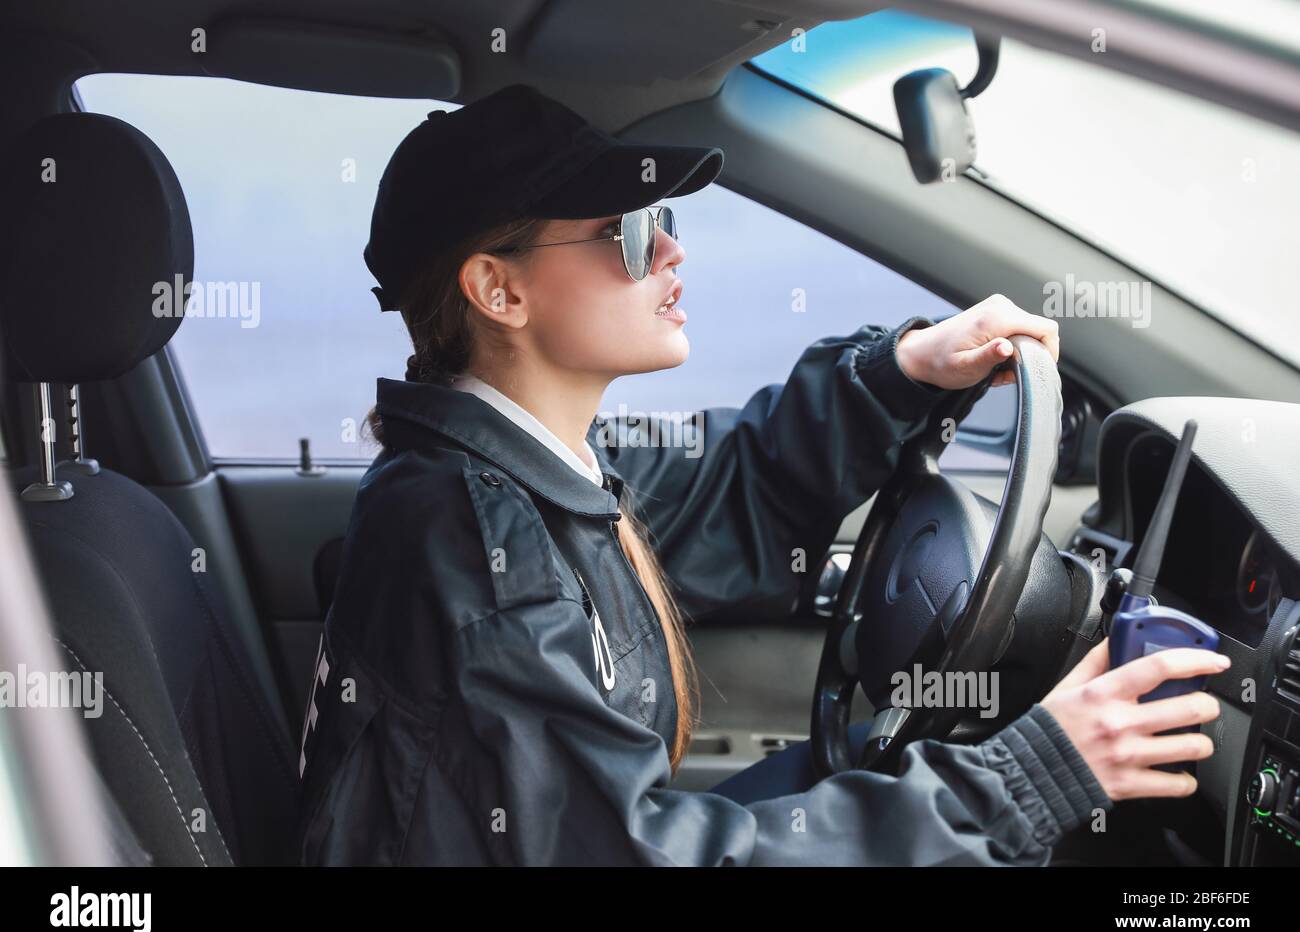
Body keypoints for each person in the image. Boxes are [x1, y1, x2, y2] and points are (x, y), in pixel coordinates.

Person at [295, 83, 1229, 866]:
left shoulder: (532, 473)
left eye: (658, 222)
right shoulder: (468, 540)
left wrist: (904, 370)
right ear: (499, 291)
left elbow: (741, 484)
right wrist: (1035, 776)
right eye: (625, 236)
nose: (670, 251)